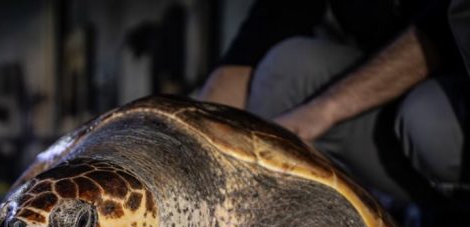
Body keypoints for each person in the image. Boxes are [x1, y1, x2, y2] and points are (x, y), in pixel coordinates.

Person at [198, 0, 468, 203]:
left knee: (427, 118)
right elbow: (255, 43)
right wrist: (199, 149)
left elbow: (440, 30)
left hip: (449, 106)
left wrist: (324, 110)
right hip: (392, 132)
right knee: (287, 66)